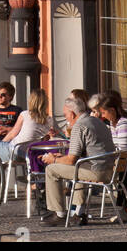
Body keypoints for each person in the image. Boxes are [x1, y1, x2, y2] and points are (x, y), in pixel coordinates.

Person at [41, 95, 115, 227]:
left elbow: (70, 160)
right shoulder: (96, 121)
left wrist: (53, 160)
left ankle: (59, 214)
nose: (66, 118)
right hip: (111, 170)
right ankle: (79, 214)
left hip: (97, 171)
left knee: (51, 170)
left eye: (65, 115)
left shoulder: (79, 126)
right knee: (78, 167)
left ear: (72, 113)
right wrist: (59, 157)